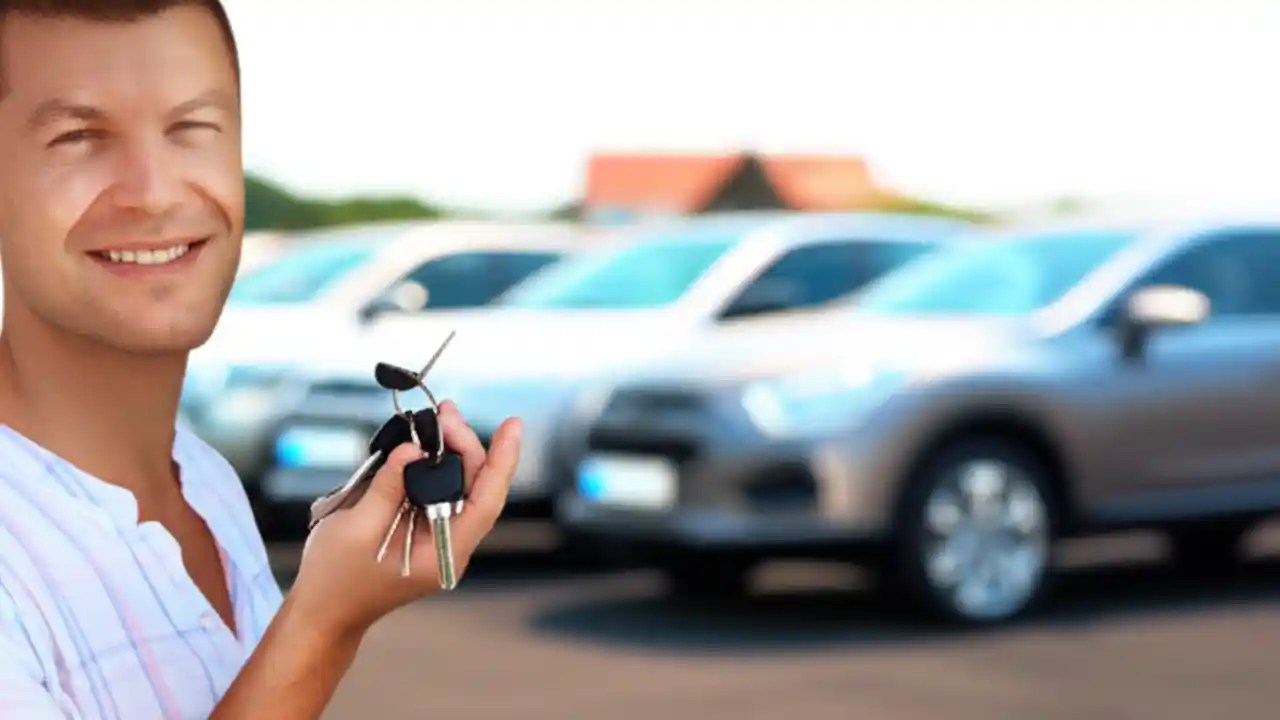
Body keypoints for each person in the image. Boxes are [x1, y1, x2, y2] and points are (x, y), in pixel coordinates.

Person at [0, 1, 523, 718]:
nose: (154, 193)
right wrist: (324, 623)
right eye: (80, 137)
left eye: (192, 130)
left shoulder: (207, 481)